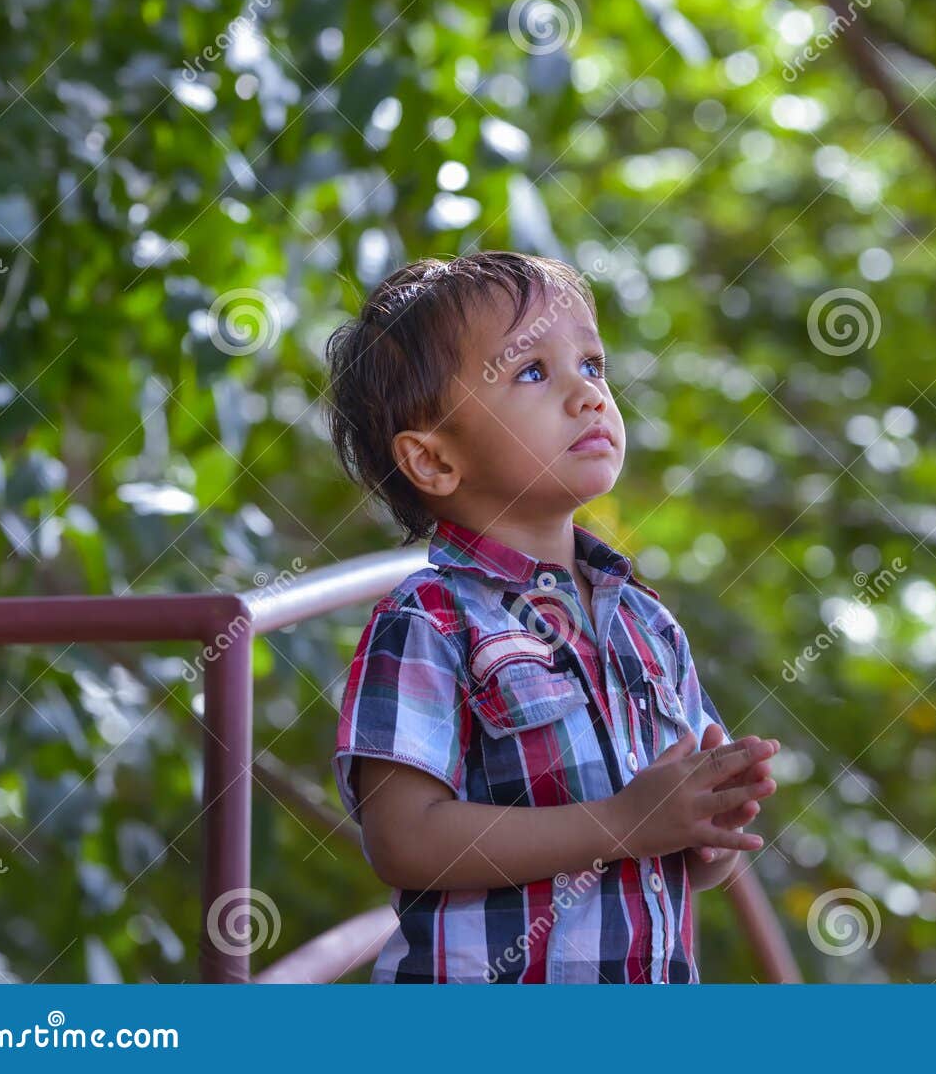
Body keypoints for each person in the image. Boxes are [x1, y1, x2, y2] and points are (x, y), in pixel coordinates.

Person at [324, 251, 781, 983]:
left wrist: (707, 828)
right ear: (435, 460)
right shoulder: (431, 620)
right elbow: (404, 839)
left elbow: (684, 860)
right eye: (532, 372)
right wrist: (624, 822)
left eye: (594, 366)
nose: (589, 394)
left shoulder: (646, 623)